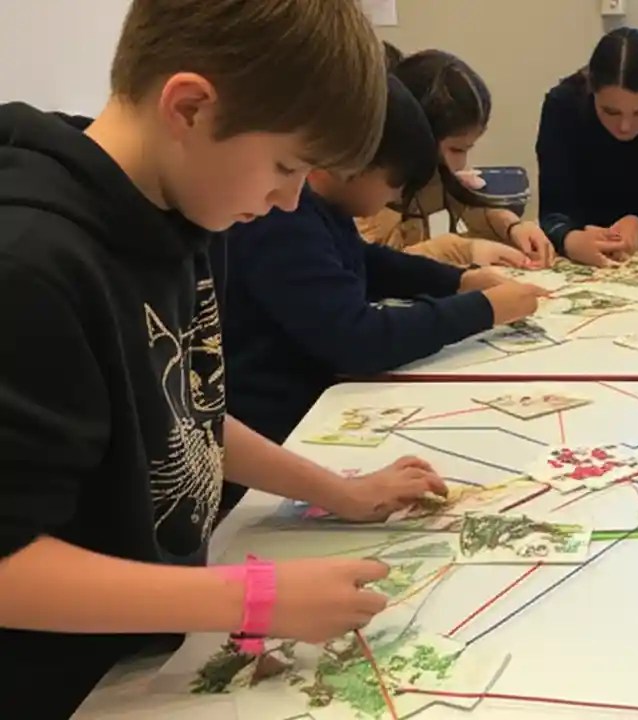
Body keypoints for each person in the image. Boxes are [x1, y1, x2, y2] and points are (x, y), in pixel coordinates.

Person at [0, 1, 448, 716]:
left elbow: (184, 412)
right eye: (285, 166)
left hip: (151, 659)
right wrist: (252, 597)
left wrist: (338, 490)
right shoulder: (29, 266)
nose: (287, 200)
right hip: (64, 687)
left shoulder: (187, 209)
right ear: (189, 108)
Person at [217, 73, 548, 448]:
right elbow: (358, 338)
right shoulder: (282, 219)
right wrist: (481, 310)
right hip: (281, 432)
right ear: (352, 164)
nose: (397, 199)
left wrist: (458, 281)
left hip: (312, 413)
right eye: (396, 186)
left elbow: (365, 262)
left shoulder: (323, 206)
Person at [359, 50, 555, 268]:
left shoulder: (433, 173)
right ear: (419, 133)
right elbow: (373, 265)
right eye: (456, 150)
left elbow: (470, 210)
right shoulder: (371, 185)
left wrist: (512, 226)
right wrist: (460, 250)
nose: (461, 164)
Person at [537, 27, 638, 267]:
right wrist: (570, 239)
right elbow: (552, 209)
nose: (625, 126)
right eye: (610, 111)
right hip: (579, 242)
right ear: (591, 91)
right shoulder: (563, 107)